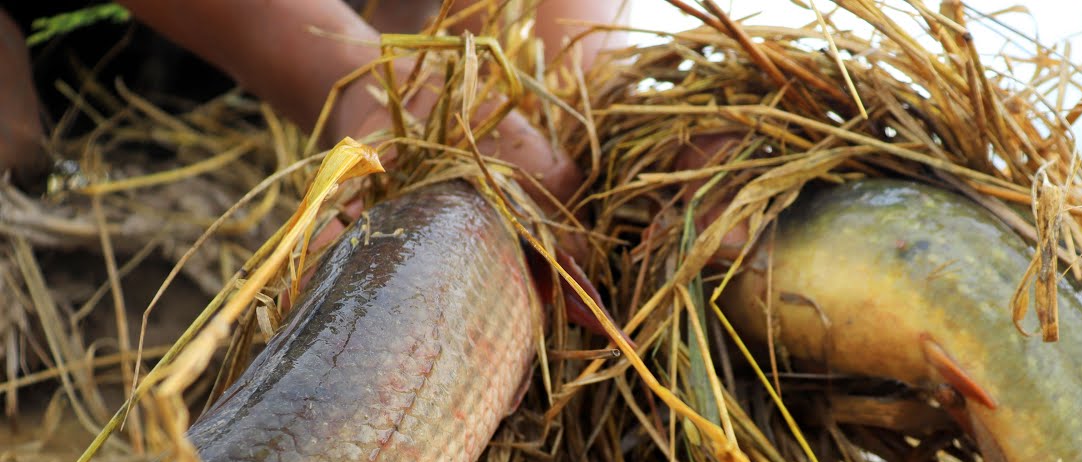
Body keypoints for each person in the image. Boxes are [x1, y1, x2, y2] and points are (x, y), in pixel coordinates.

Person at [0, 1, 627, 207]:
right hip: (76, 80)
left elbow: (567, 52)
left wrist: (596, 122)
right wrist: (350, 74)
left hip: (338, 92)